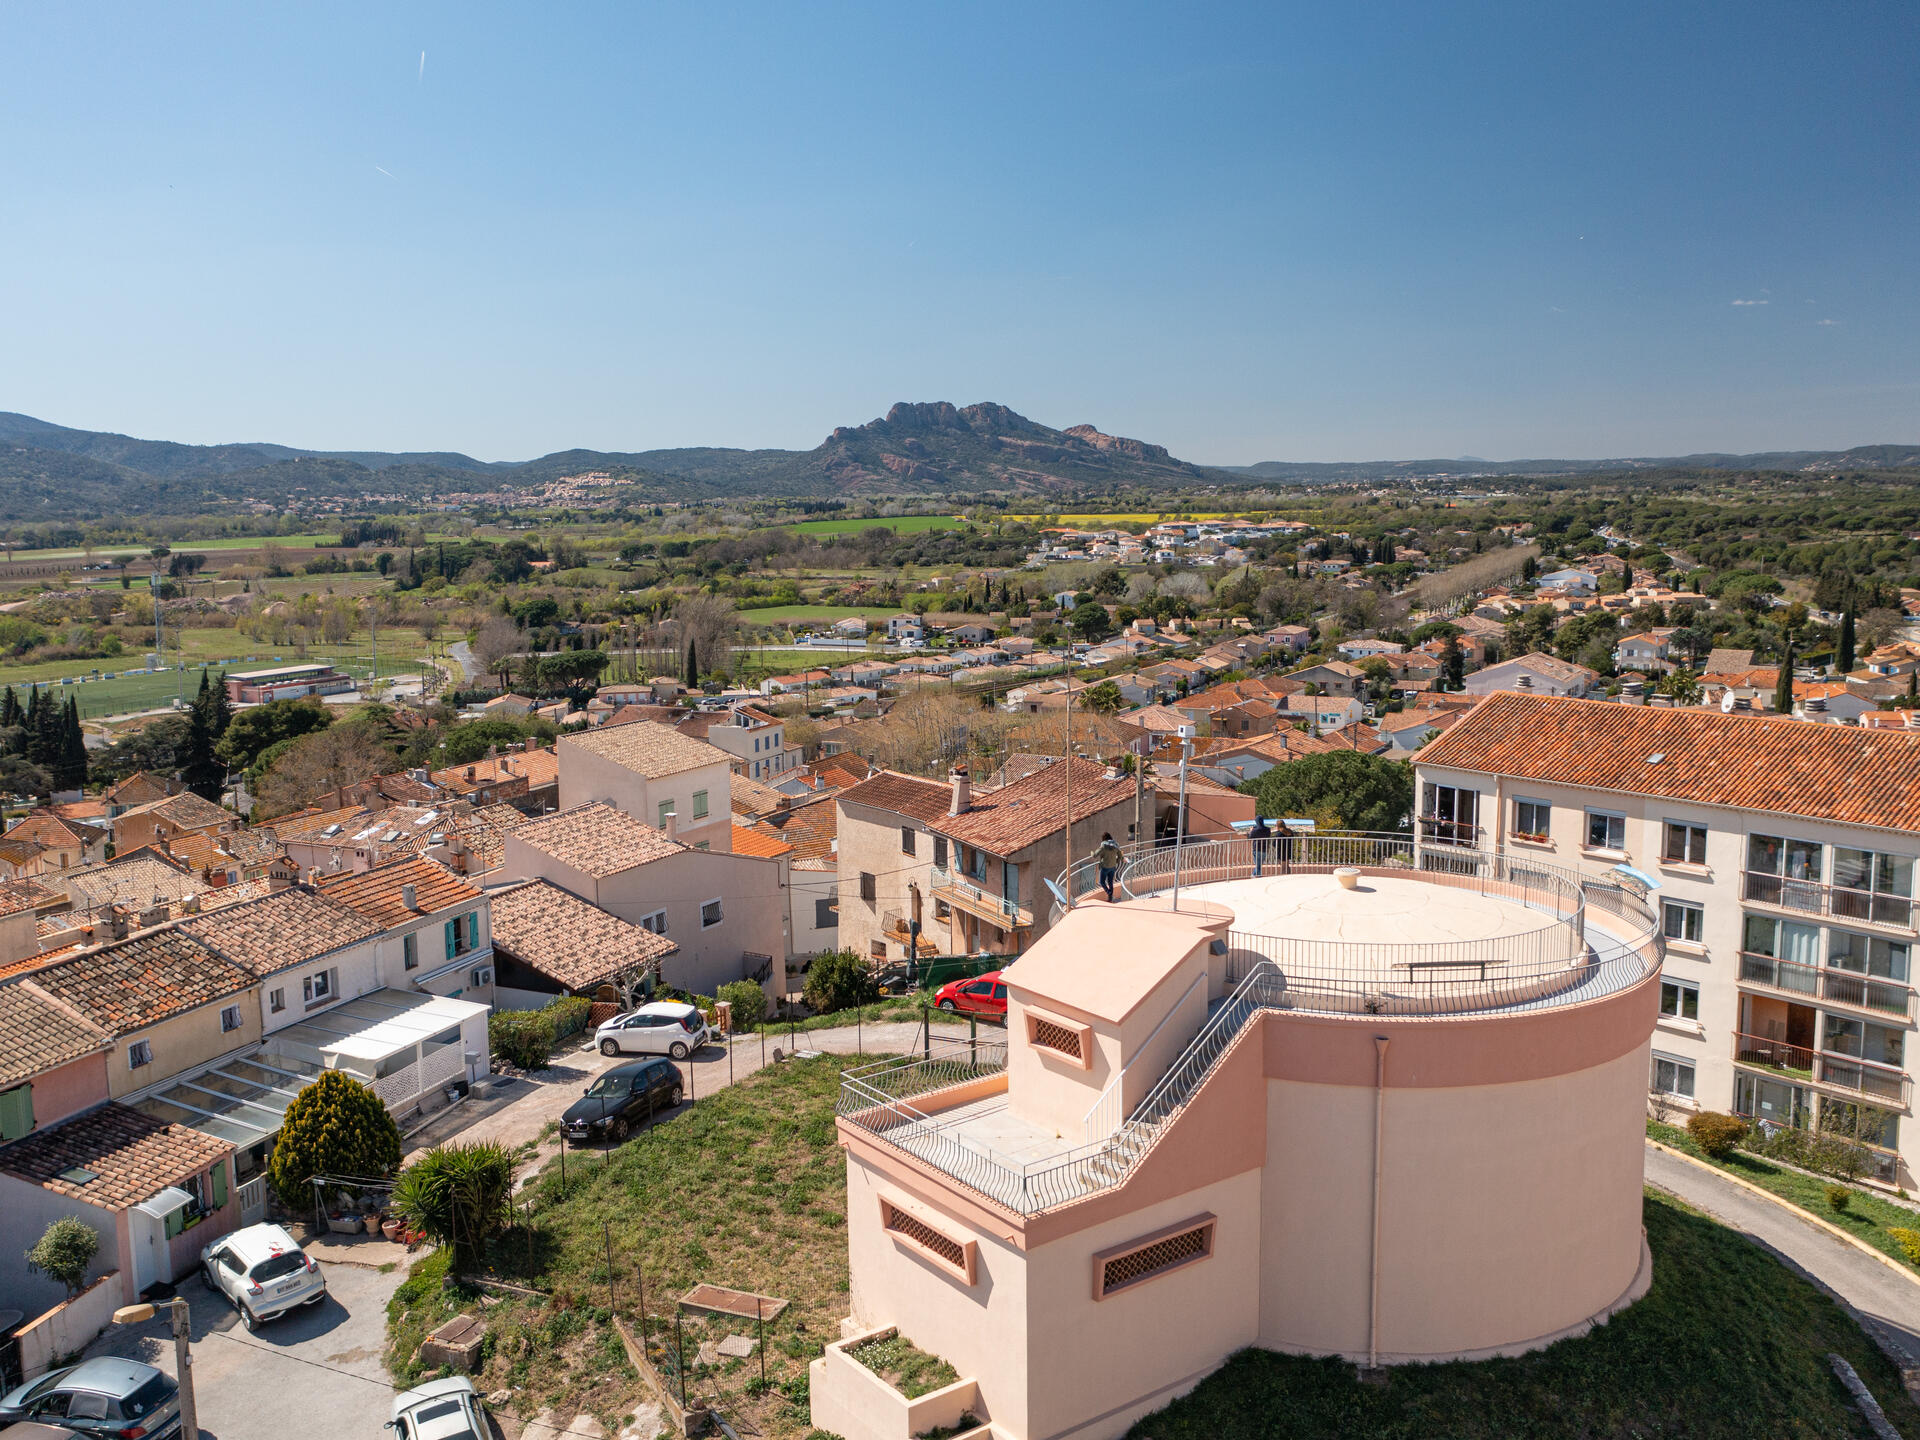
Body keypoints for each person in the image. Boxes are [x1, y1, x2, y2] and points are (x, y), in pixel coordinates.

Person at [1095, 832, 1125, 902]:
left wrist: (1092, 853)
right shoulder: (1115, 845)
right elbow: (1120, 856)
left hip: (1105, 866)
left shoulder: (1103, 845)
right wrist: (1117, 861)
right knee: (1110, 882)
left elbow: (1095, 854)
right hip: (1113, 866)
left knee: (1102, 882)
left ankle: (1109, 893)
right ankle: (1110, 898)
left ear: (1104, 838)